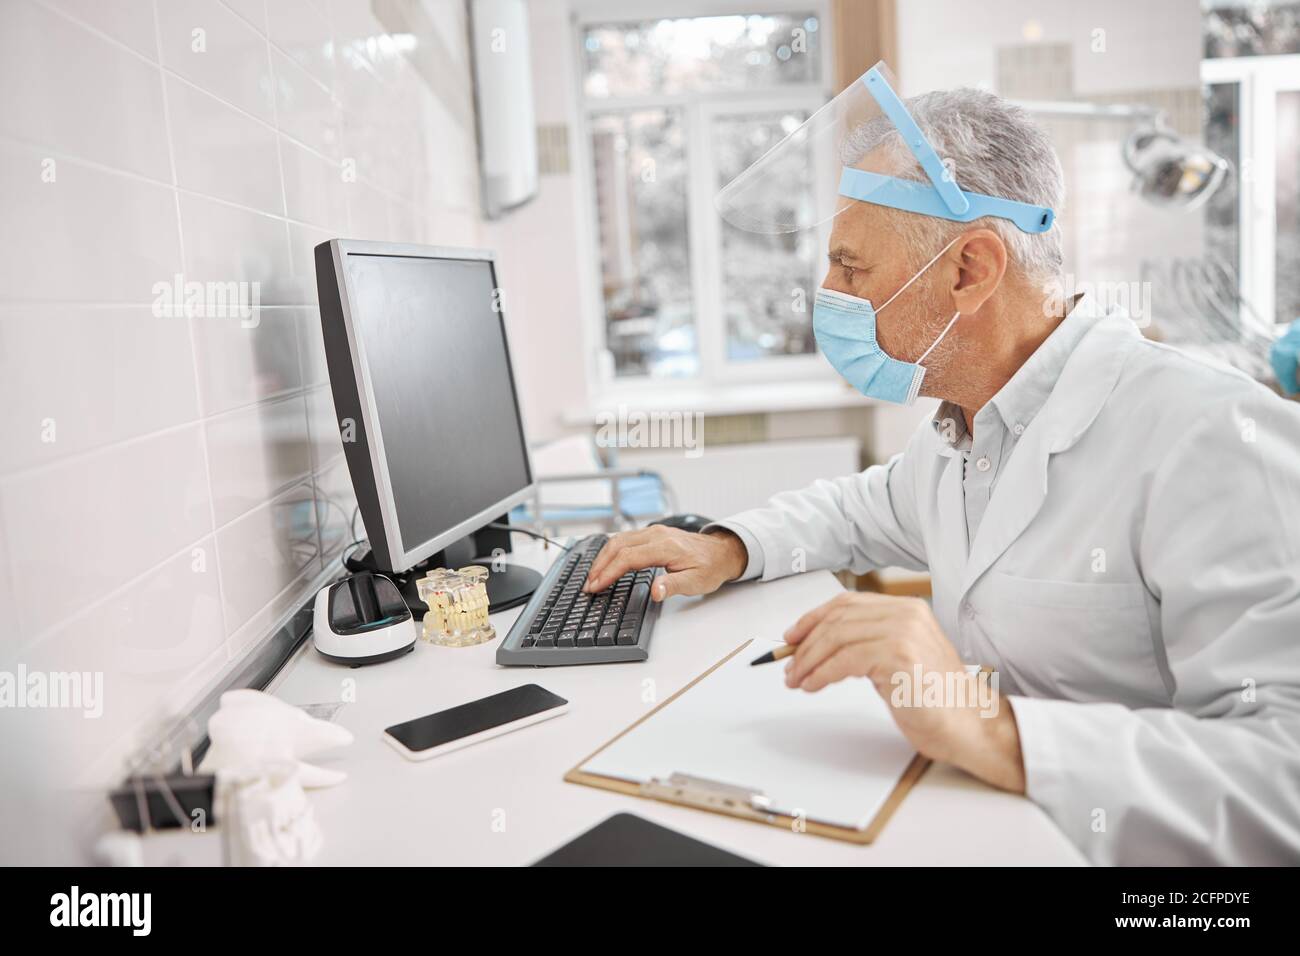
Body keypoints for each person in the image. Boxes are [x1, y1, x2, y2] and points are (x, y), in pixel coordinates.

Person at [584, 81, 1300, 866]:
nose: (829, 296)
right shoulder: (969, 423)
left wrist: (991, 727)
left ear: (971, 270)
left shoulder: (1209, 436)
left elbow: (1280, 779)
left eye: (851, 268)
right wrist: (728, 545)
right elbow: (858, 510)